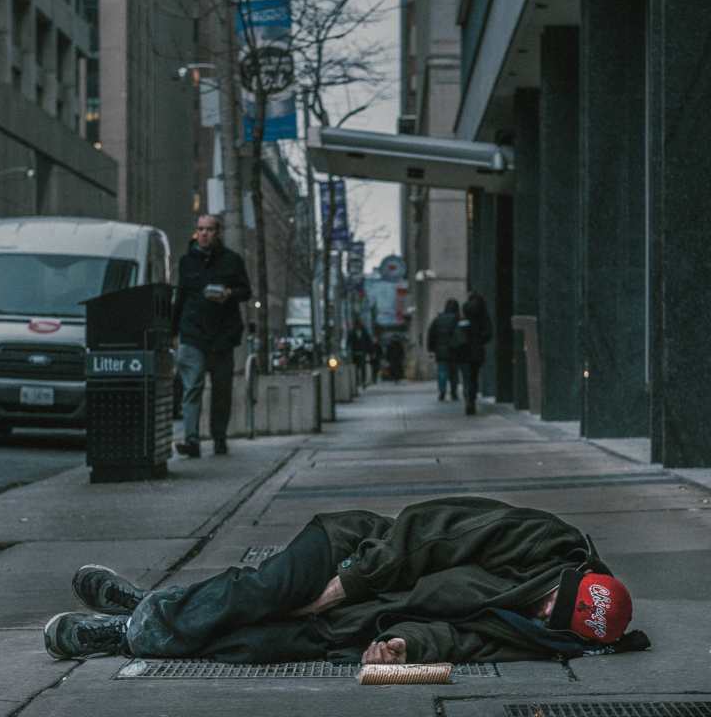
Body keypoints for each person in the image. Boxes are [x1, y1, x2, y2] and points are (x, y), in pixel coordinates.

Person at [44, 497, 649, 664]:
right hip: (354, 553)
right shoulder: (543, 540)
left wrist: (409, 647)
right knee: (261, 594)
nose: (542, 612)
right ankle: (125, 632)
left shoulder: (549, 635)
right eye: (552, 599)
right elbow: (429, 531)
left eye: (555, 619)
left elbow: (473, 642)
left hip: (365, 619)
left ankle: (147, 606)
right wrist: (347, 582)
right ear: (573, 574)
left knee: (253, 644)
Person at [172, 215, 252, 458]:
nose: (204, 233)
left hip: (222, 334)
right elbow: (180, 297)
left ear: (218, 232)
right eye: (200, 229)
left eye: (209, 229)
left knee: (221, 390)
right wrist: (173, 332)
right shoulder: (186, 262)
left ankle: (219, 437)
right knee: (192, 386)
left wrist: (229, 293)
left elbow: (246, 290)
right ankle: (192, 439)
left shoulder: (232, 260)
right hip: (193, 333)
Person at [459, 293, 493, 416]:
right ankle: (472, 399)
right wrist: (480, 340)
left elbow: (456, 330)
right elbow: (488, 333)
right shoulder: (483, 313)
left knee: (466, 376)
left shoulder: (463, 312)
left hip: (463, 349)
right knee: (474, 376)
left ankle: (467, 394)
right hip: (477, 349)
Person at [426, 299, 461, 401]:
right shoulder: (456, 319)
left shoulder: (438, 320)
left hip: (440, 351)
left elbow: (431, 336)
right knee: (454, 372)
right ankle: (454, 392)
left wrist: (431, 350)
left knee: (442, 371)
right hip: (454, 350)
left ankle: (442, 389)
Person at [346, 320, 372, 388]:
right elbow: (349, 341)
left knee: (363, 367)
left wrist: (370, 351)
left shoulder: (365, 332)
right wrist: (349, 348)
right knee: (356, 367)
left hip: (363, 352)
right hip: (355, 352)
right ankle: (357, 381)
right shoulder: (352, 332)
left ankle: (363, 381)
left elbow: (369, 342)